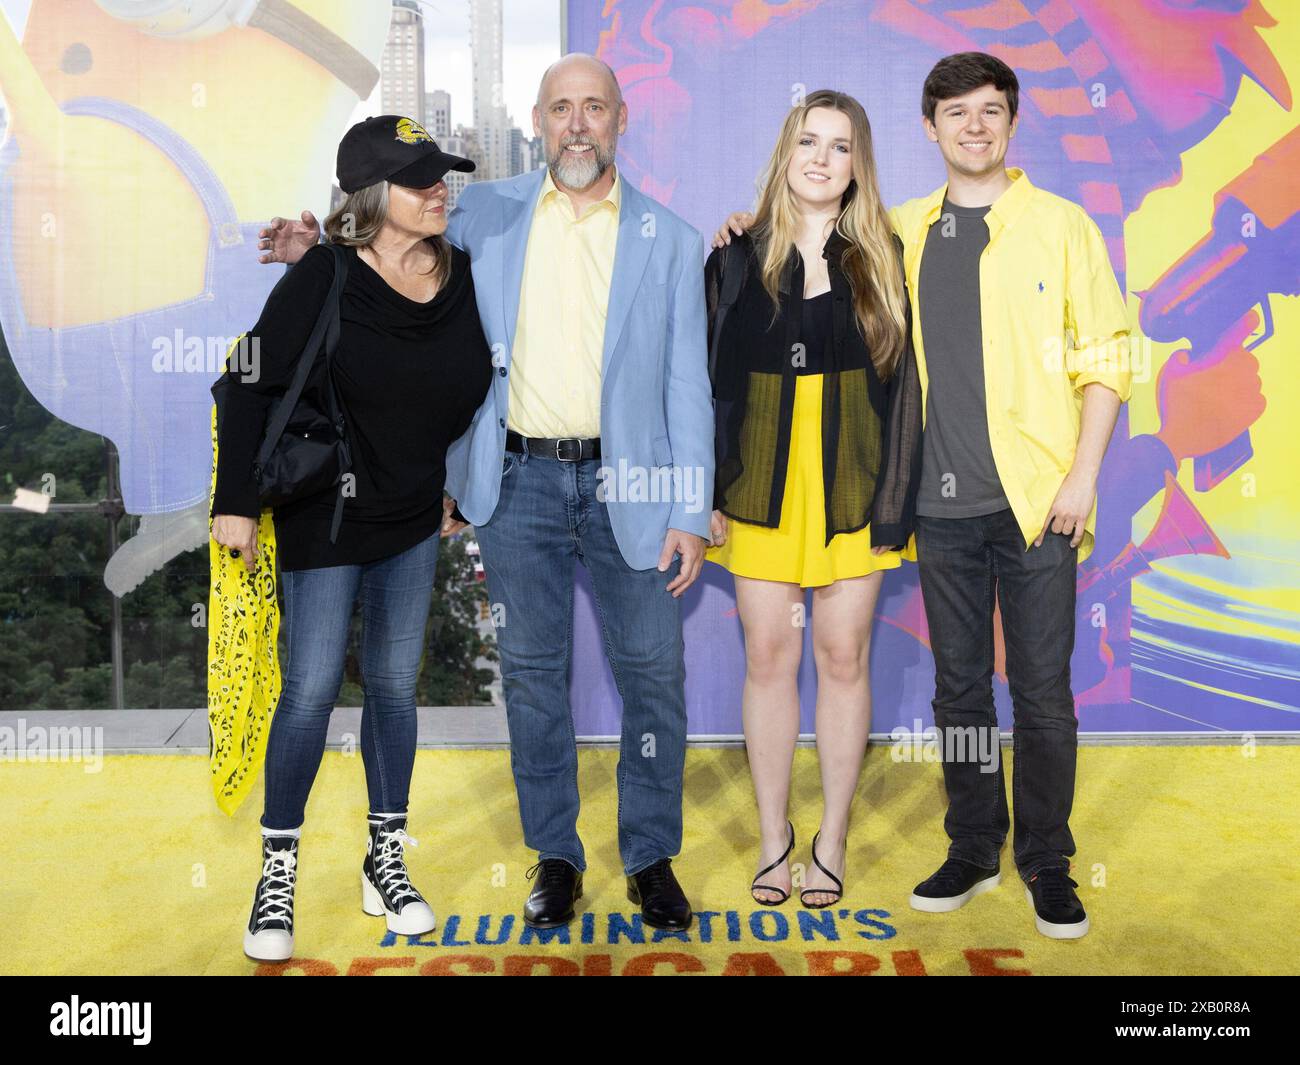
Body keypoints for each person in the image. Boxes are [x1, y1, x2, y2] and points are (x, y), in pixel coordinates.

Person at [263, 55, 713, 932]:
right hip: (516, 483)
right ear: (538, 122)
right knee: (535, 678)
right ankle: (555, 855)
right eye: (560, 110)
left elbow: (689, 388)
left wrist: (691, 509)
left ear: (622, 120)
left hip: (639, 489)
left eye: (594, 108)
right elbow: (390, 240)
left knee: (654, 679)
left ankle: (652, 857)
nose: (578, 125)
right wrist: (316, 246)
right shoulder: (485, 215)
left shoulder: (676, 239)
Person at [716, 53, 1131, 939]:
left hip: (1035, 502)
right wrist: (748, 227)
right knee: (959, 690)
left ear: (1011, 123)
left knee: (1046, 690)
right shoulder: (899, 231)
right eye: (955, 113)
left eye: (990, 111)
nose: (974, 126)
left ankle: (1047, 860)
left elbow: (1108, 361)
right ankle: (974, 846)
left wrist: (1083, 479)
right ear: (931, 129)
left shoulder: (1062, 229)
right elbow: (785, 267)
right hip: (934, 507)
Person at [212, 116, 492, 961]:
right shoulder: (325, 275)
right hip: (325, 519)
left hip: (412, 519)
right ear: (373, 199)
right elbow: (244, 384)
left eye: (442, 174)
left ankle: (385, 857)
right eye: (419, 180)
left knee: (397, 691)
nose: (439, 187)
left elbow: (468, 396)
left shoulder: (465, 275)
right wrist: (233, 504)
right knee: (307, 693)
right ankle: (279, 869)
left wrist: (458, 491)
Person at [704, 91, 920, 908]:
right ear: (784, 153)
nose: (822, 158)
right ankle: (773, 838)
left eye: (839, 145)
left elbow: (906, 392)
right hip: (755, 483)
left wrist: (895, 501)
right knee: (768, 656)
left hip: (854, 486)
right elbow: (706, 384)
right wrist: (704, 493)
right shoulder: (733, 254)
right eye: (807, 141)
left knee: (841, 657)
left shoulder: (886, 257)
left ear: (858, 164)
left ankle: (829, 838)